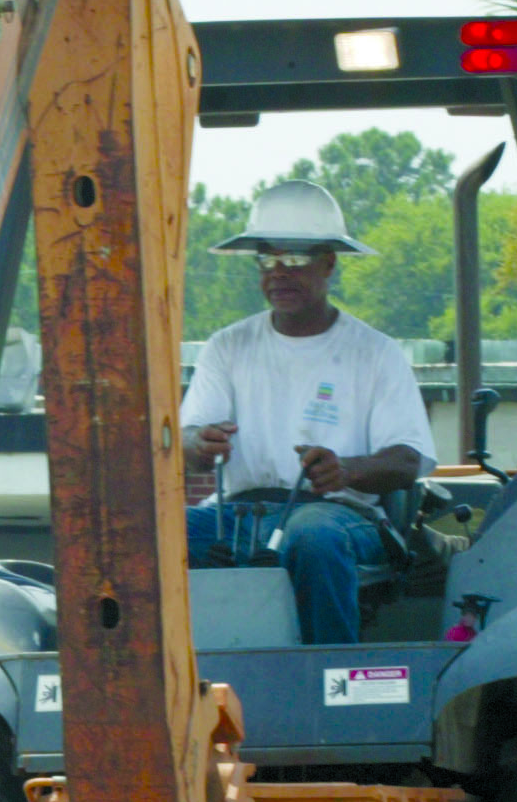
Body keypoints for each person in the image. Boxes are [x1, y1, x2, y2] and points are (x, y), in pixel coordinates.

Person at [175, 179, 437, 643]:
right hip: (237, 514)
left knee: (312, 535)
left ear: (329, 263)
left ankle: (329, 678)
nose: (278, 272)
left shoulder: (374, 353)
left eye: (294, 258)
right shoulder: (228, 346)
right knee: (149, 535)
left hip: (337, 515)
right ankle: (167, 683)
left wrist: (346, 470)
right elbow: (187, 443)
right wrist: (198, 442)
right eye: (267, 259)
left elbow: (407, 460)